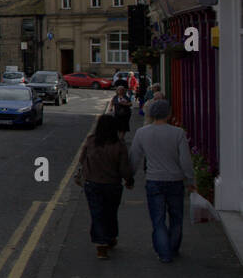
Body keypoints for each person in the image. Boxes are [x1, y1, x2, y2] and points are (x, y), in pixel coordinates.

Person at [129, 99, 196, 263]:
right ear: (169, 113)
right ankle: (173, 248)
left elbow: (134, 158)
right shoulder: (178, 133)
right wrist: (190, 180)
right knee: (176, 217)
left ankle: (164, 253)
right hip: (175, 181)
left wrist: (129, 178)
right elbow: (185, 161)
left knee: (158, 220)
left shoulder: (142, 133)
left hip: (154, 180)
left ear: (151, 114)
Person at [73, 114, 134, 259]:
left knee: (97, 213)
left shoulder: (91, 141)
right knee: (110, 212)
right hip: (112, 184)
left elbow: (82, 159)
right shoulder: (119, 145)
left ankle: (101, 245)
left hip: (92, 183)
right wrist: (129, 181)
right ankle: (110, 238)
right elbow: (124, 167)